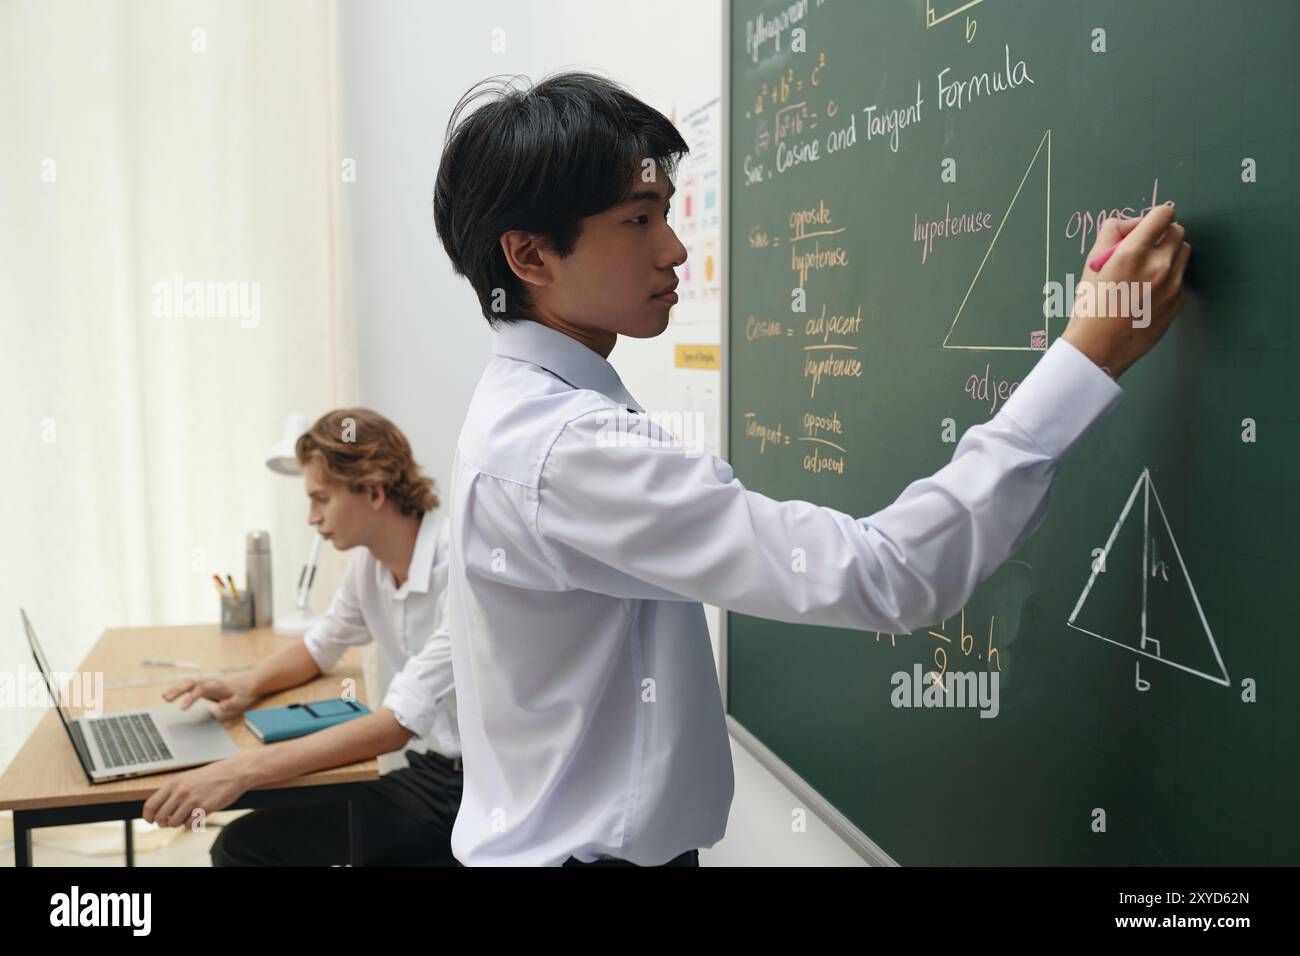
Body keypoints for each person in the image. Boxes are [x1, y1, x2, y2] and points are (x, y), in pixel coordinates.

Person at [426, 71, 1189, 865]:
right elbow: (890, 573)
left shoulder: (525, 411)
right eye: (639, 219)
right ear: (530, 255)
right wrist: (1086, 357)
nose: (675, 247)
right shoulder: (568, 450)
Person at [142, 408, 462, 866]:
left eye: (321, 499)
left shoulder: (462, 569)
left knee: (245, 846)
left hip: (486, 793)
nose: (312, 518)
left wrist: (238, 772)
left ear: (373, 491)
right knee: (248, 841)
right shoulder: (369, 567)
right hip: (434, 772)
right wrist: (245, 684)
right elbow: (320, 645)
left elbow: (395, 726)